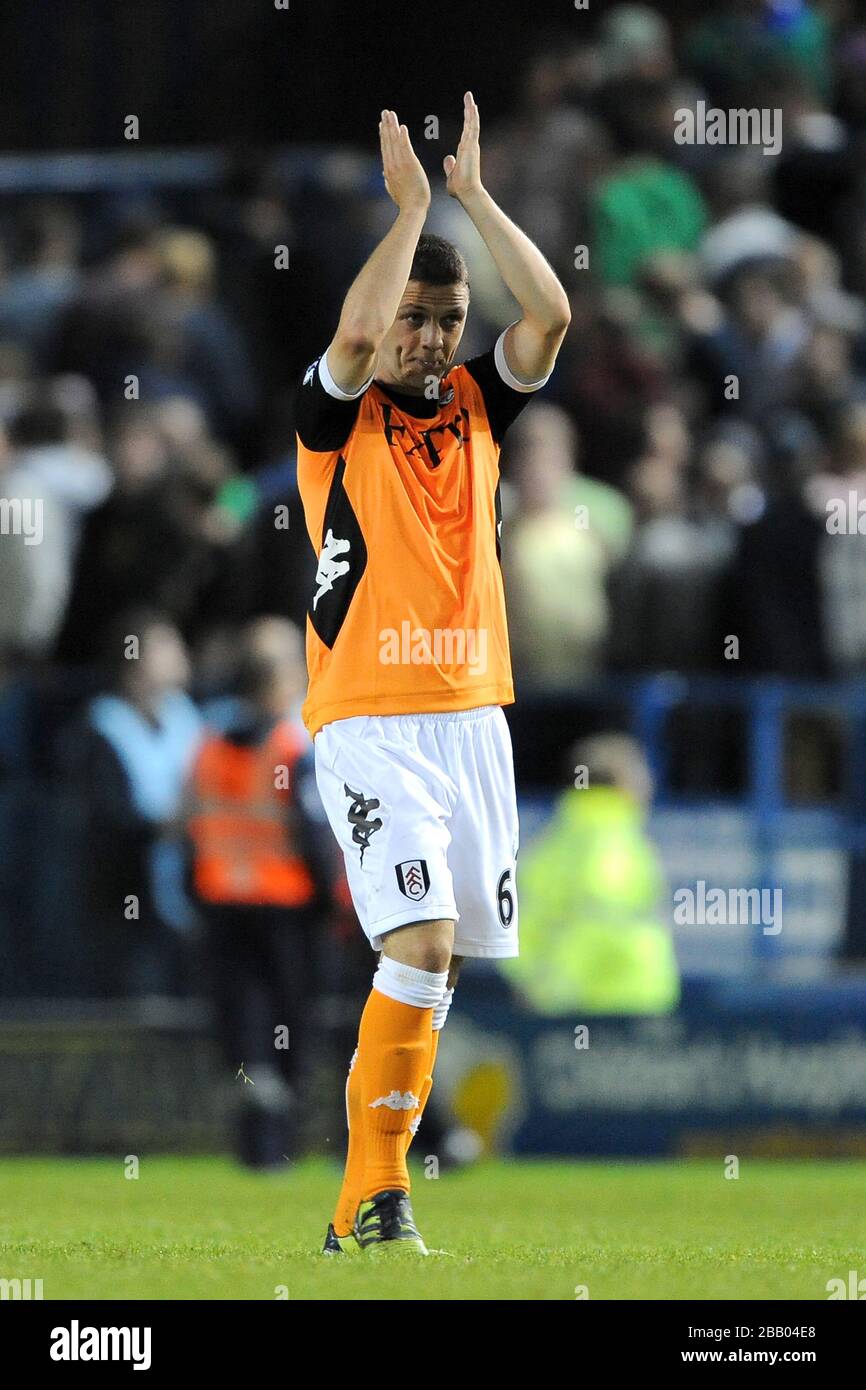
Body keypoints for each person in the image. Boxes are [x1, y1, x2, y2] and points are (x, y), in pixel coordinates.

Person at [295, 94, 570, 1254]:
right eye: (419, 317)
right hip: (371, 714)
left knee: (440, 955)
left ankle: (367, 1192)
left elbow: (549, 314)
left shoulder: (475, 405)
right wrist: (407, 213)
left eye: (447, 319)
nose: (430, 338)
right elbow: (352, 341)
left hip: (472, 713)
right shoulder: (333, 418)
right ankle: (373, 1194)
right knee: (414, 942)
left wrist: (471, 200)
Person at [185, 617, 336, 1167]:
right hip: (286, 911)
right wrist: (331, 904)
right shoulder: (293, 747)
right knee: (289, 1029)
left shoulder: (207, 744)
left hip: (222, 905)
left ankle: (258, 1143)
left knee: (243, 1031)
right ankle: (280, 1139)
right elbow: (312, 833)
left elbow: (189, 828)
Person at [501, 734, 680, 1015]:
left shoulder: (548, 844)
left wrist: (537, 984)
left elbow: (519, 926)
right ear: (623, 780)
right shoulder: (613, 840)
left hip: (553, 1002)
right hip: (617, 1005)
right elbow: (604, 920)